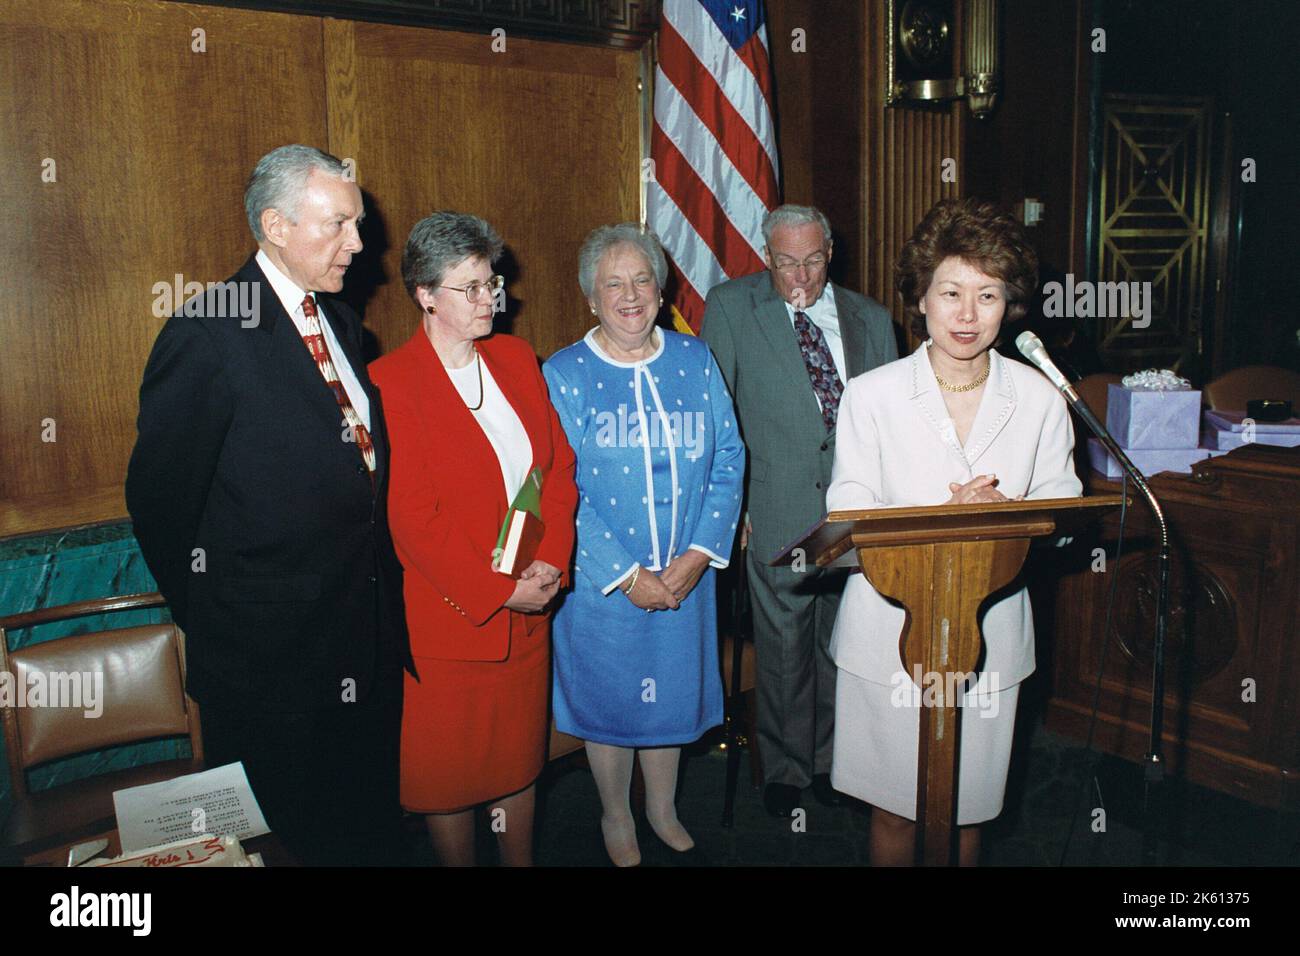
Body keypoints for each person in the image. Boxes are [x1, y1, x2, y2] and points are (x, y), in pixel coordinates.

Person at [125, 144, 410, 865]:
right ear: (276, 226)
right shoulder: (206, 331)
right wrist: (225, 614)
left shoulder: (342, 322)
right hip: (269, 670)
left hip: (363, 646)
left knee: (363, 837)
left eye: (358, 224)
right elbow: (160, 504)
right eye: (339, 224)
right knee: (285, 846)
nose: (359, 242)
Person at [827, 197, 1083, 866]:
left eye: (988, 295)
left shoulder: (1040, 397)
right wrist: (938, 519)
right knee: (894, 810)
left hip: (990, 636)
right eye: (951, 292)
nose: (968, 315)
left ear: (1011, 304)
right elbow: (848, 506)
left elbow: (1065, 510)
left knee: (969, 814)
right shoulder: (872, 395)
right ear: (920, 297)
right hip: (888, 633)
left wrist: (1007, 516)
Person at [368, 211, 577, 867]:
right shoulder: (392, 383)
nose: (492, 299)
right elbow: (414, 520)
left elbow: (555, 472)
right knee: (450, 782)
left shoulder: (515, 358)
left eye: (493, 283)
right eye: (472, 287)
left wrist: (545, 564)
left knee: (518, 768)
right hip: (451, 626)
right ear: (425, 294)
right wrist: (497, 591)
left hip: (528, 608)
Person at [543, 223, 744, 866]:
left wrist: (694, 558)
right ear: (591, 298)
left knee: (668, 696)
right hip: (604, 583)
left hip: (688, 575)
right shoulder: (564, 373)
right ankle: (615, 814)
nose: (630, 294)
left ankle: (662, 807)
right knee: (612, 703)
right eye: (614, 284)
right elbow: (560, 486)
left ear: (661, 291)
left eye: (642, 280)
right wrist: (629, 575)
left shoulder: (695, 358)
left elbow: (730, 458)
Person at [699, 204, 898, 817]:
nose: (801, 278)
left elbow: (894, 422)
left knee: (848, 638)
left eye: (812, 261)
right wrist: (736, 508)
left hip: (855, 509)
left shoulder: (872, 318)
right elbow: (717, 418)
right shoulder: (732, 307)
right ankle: (787, 768)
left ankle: (838, 764)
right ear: (767, 256)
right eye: (786, 263)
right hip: (777, 504)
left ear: (830, 252)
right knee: (784, 641)